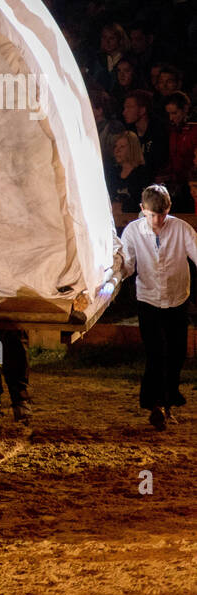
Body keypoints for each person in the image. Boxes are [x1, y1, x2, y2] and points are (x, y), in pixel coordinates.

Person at [117, 185, 197, 429]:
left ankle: (166, 401)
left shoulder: (181, 229)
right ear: (143, 210)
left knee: (176, 353)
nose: (157, 220)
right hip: (149, 299)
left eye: (161, 215)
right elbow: (128, 264)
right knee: (155, 353)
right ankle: (157, 404)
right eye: (152, 215)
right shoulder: (132, 231)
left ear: (168, 210)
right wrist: (115, 273)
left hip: (176, 299)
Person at [106, 132, 151, 214]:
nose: (117, 150)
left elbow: (146, 203)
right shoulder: (112, 172)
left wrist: (123, 207)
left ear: (132, 148)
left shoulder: (143, 173)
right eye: (115, 146)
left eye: (122, 147)